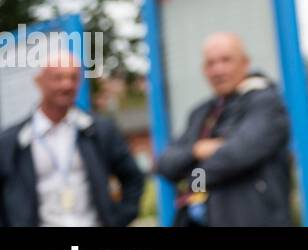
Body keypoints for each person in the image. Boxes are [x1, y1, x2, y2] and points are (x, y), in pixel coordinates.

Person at [156, 32, 292, 226]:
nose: (218, 70)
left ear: (245, 63)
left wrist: (190, 178)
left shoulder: (266, 103)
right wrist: (197, 150)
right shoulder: (201, 113)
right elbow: (165, 163)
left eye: (226, 60)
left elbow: (236, 156)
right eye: (210, 63)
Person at [0, 51, 143, 226]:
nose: (67, 85)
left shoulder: (99, 130)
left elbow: (133, 177)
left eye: (73, 78)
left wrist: (119, 218)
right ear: (39, 81)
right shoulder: (13, 141)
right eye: (58, 77)